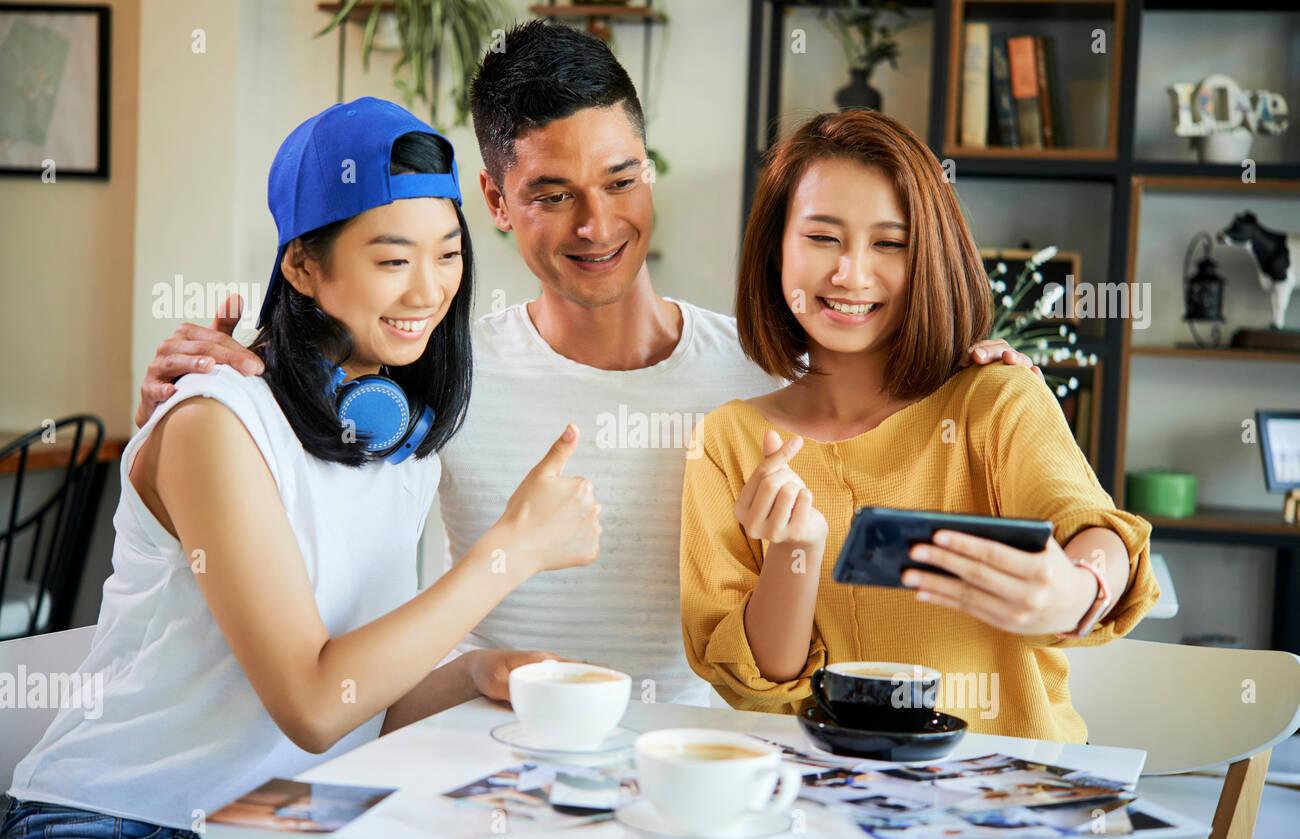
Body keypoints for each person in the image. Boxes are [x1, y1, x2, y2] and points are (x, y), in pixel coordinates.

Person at [129, 22, 1038, 708]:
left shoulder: (771, 371)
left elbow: (900, 401)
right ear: (492, 199)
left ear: (651, 170)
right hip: (495, 766)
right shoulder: (434, 374)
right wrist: (202, 374)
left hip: (706, 768)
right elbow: (301, 396)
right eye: (552, 195)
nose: (597, 225)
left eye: (621, 180)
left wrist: (967, 364)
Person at [0, 97, 600, 839]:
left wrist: (474, 671)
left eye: (447, 253)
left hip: (276, 835)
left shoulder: (401, 445)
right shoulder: (217, 424)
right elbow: (315, 705)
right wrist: (509, 553)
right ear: (303, 265)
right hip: (112, 835)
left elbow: (355, 707)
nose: (428, 289)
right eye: (392, 259)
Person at [679, 109, 1160, 743]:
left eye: (889, 243)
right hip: (837, 806)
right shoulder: (730, 442)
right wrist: (794, 555)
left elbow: (1093, 530)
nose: (851, 273)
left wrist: (1074, 589)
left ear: (929, 255)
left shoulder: (995, 398)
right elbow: (762, 680)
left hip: (1027, 806)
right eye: (822, 238)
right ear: (775, 251)